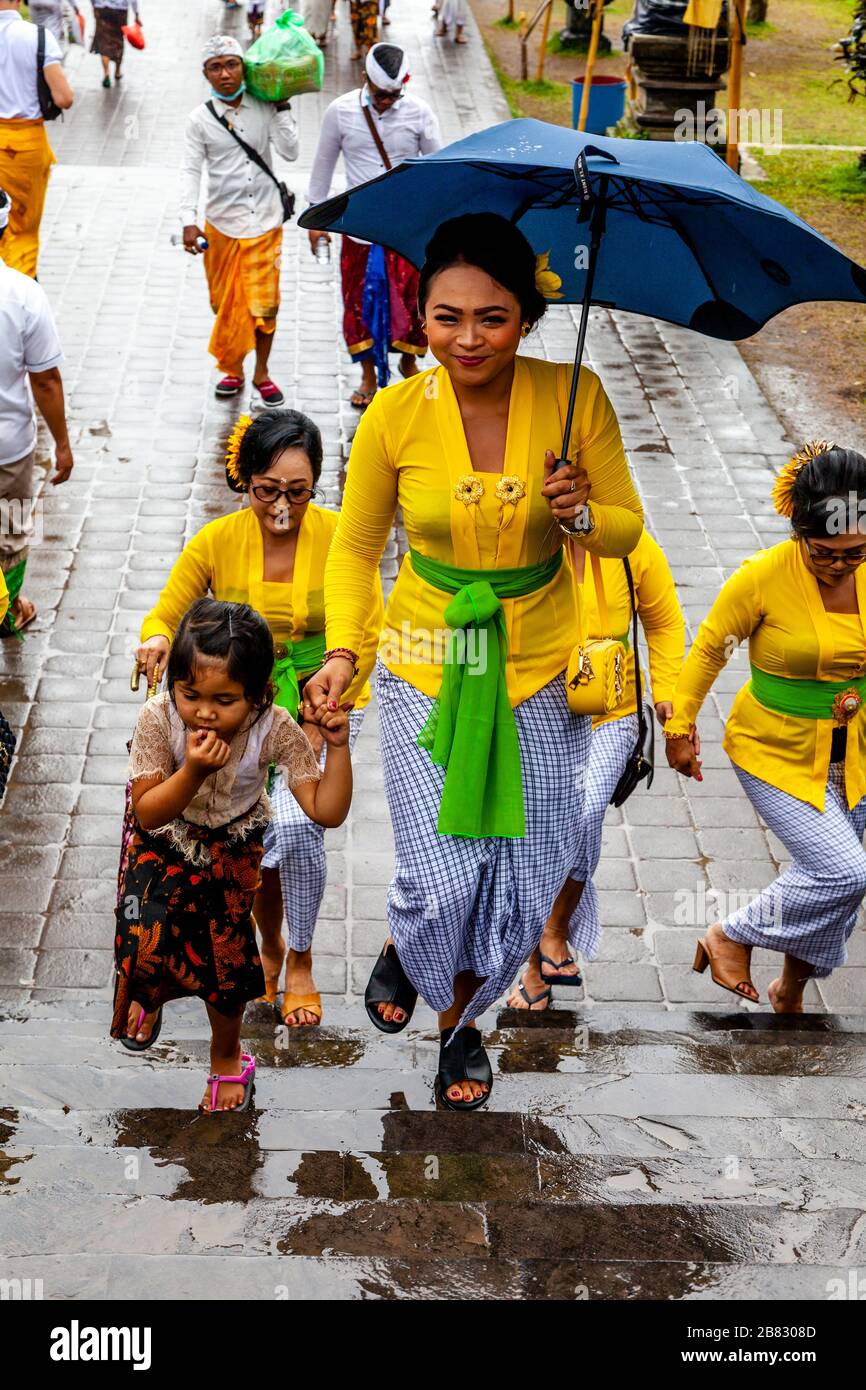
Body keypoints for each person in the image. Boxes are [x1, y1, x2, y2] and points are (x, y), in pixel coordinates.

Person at [304, 212, 643, 1110]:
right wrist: (345, 650)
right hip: (423, 661)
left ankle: (462, 1026)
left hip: (537, 669)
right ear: (419, 318)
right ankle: (408, 939)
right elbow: (353, 547)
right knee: (443, 870)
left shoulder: (578, 397)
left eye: (491, 317)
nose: (467, 338)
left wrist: (578, 512)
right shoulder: (393, 412)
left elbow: (628, 528)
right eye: (446, 317)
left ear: (527, 317)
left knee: (518, 869)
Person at [132, 411, 383, 1034]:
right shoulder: (217, 540)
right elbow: (169, 609)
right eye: (266, 490)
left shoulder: (341, 538)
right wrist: (158, 639)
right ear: (243, 483)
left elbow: (367, 621)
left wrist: (336, 674)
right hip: (234, 712)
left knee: (298, 833)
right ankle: (261, 944)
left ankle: (298, 956)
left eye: (298, 492)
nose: (281, 506)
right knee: (251, 842)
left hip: (308, 705)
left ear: (318, 485)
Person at [113, 598, 354, 1112]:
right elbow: (149, 811)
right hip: (165, 841)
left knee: (227, 964)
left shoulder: (275, 726)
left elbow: (325, 810)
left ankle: (227, 1056)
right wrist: (193, 772)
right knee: (143, 937)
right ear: (173, 683)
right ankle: (148, 997)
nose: (204, 711)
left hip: (233, 848)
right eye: (191, 694)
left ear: (260, 694)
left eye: (224, 699)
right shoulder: (159, 718)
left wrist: (338, 746)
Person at [666, 442, 866, 1015]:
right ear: (798, 531)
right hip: (772, 749)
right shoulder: (761, 580)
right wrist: (680, 727)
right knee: (843, 871)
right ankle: (731, 934)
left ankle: (790, 993)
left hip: (856, 752)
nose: (840, 565)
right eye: (824, 552)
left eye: (855, 553)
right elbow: (708, 651)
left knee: (838, 891)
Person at [509, 531, 684, 1008]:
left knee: (582, 810)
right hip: (533, 707)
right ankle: (531, 963)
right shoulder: (521, 539)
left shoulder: (634, 548)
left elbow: (665, 623)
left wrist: (671, 700)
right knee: (532, 833)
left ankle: (555, 930)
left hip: (612, 713)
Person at [306, 42, 441, 410]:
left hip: (407, 231)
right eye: (381, 95)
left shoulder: (420, 113)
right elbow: (322, 164)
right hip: (360, 230)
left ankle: (409, 360)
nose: (386, 102)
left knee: (414, 301)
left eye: (394, 96)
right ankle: (368, 375)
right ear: (365, 79)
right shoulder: (340, 112)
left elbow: (437, 169)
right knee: (357, 303)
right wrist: (315, 218)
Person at [181, 35, 299, 406]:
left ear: (243, 68)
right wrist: (188, 219)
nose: (225, 74)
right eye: (216, 67)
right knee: (225, 304)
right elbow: (190, 170)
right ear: (206, 74)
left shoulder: (265, 107)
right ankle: (233, 370)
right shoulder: (199, 120)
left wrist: (282, 108)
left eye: (232, 64)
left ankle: (261, 373)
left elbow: (291, 152)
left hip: (265, 222)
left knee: (264, 305)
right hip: (222, 224)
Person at [0, 188, 73, 637]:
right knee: (10, 533)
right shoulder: (24, 296)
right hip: (9, 448)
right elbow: (44, 380)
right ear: (6, 229)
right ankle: (6, 613)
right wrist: (62, 445)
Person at [0, 0, 73, 278]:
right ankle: (19, 290)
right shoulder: (37, 37)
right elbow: (63, 98)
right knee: (23, 228)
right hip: (25, 145)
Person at [91, 0, 139, 87]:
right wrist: (136, 14)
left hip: (101, 9)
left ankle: (106, 73)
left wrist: (94, 6)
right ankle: (117, 71)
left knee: (104, 41)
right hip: (120, 11)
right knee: (118, 41)